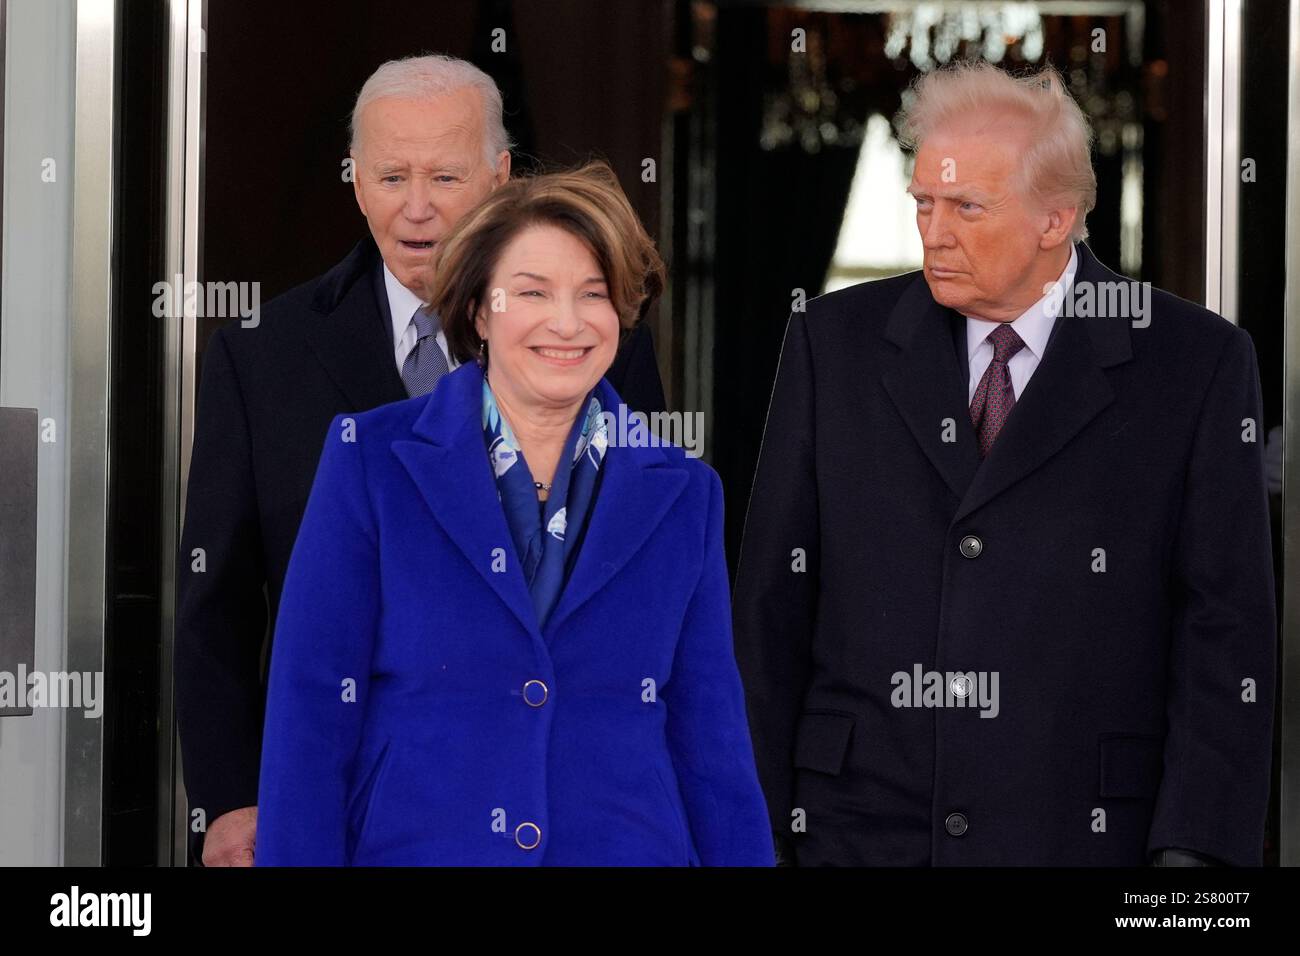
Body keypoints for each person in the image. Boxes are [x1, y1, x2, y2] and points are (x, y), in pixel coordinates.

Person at [733, 60, 1275, 866]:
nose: (933, 232)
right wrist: (754, 836)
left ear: (1055, 218)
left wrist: (1192, 861)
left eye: (966, 207)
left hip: (1086, 837)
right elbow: (768, 615)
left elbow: (1225, 634)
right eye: (922, 202)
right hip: (854, 834)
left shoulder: (1193, 364)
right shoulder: (831, 343)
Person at [175, 54, 666, 866]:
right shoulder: (262, 358)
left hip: (559, 798)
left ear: (502, 177)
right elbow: (216, 607)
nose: (416, 209)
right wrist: (230, 800)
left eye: (445, 176)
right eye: (390, 176)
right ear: (356, 181)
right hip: (345, 799)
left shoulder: (598, 347)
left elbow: (640, 598)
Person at [255, 162, 773, 866]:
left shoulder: (685, 493)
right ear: (477, 310)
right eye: (532, 292)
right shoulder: (371, 460)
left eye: (593, 294)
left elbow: (711, 738)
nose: (567, 322)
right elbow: (310, 713)